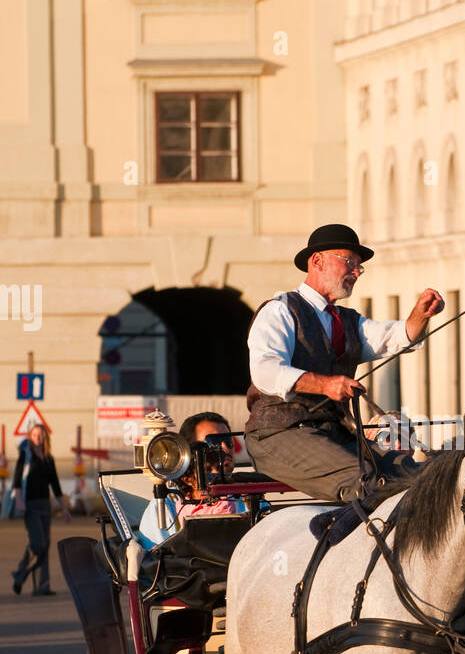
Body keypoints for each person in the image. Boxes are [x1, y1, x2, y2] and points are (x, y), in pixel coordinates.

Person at [245, 223, 444, 503]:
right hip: (277, 434)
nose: (356, 272)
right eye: (350, 262)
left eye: (359, 267)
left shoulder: (347, 320)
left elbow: (392, 337)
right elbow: (266, 371)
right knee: (365, 481)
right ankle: (331, 542)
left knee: (415, 475)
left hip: (331, 434)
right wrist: (325, 385)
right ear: (317, 261)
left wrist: (420, 316)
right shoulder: (280, 311)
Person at [138, 413, 245, 550]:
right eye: (214, 442)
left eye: (228, 441)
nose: (225, 448)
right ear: (188, 451)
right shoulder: (163, 509)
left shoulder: (250, 499)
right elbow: (157, 564)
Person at [10, 425, 72, 595]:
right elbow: (16, 481)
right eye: (35, 435)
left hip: (46, 505)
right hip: (30, 506)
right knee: (38, 543)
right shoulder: (26, 456)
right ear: (30, 437)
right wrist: (20, 502)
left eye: (41, 435)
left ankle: (42, 586)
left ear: (45, 437)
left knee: (45, 546)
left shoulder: (49, 459)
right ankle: (20, 573)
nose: (38, 437)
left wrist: (64, 508)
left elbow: (56, 486)